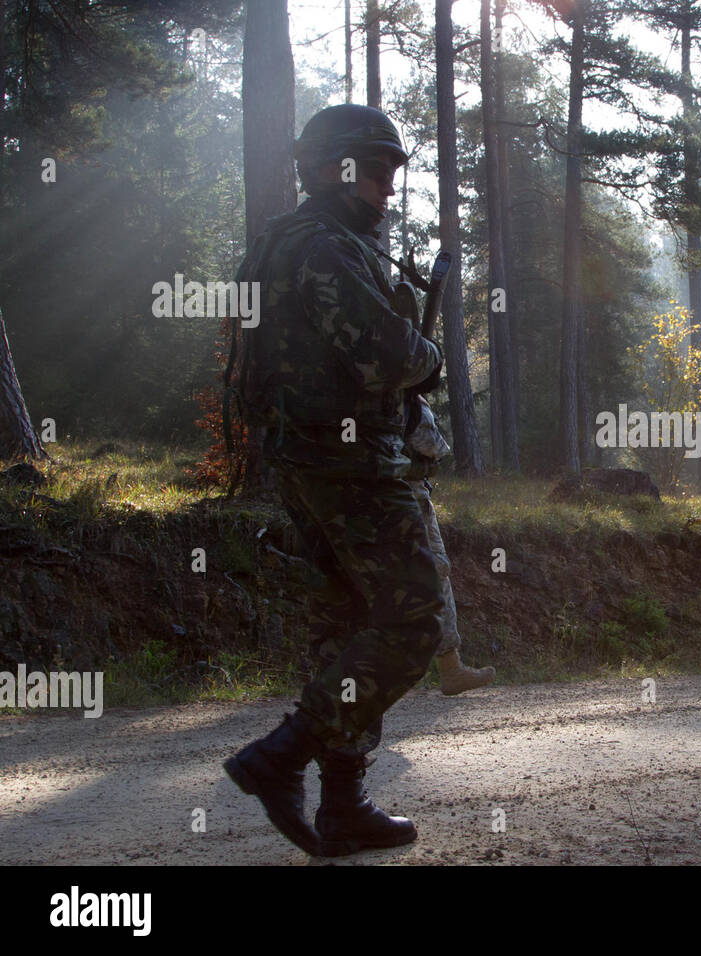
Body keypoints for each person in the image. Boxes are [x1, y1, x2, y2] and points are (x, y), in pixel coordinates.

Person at [223, 104, 487, 857]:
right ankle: (280, 756)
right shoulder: (324, 250)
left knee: (349, 628)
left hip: (315, 462)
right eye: (376, 173)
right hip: (355, 467)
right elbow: (390, 357)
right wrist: (430, 356)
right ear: (335, 169)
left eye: (391, 173)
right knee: (413, 625)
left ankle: (345, 805)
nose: (386, 190)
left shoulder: (297, 241)